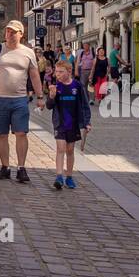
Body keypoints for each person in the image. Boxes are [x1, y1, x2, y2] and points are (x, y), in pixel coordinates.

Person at [0, 20, 44, 183]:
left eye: (13, 31)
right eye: (7, 31)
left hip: (19, 99)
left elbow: (34, 75)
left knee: (21, 133)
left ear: (21, 34)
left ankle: (21, 168)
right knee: (2, 134)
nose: (9, 34)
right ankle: (5, 167)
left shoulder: (28, 52)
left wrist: (40, 96)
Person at [47, 59, 90, 190]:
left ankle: (69, 177)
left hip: (73, 123)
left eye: (60, 72)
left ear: (69, 71)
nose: (57, 74)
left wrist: (87, 122)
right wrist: (52, 96)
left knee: (70, 150)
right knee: (61, 149)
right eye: (56, 71)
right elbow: (49, 106)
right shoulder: (56, 87)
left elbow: (84, 105)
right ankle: (59, 176)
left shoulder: (77, 86)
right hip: (60, 123)